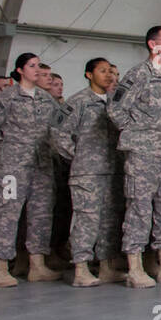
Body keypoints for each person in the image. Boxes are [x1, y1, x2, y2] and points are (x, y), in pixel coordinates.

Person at [108, 26, 161, 288]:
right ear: (153, 45)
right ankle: (135, 266)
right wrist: (136, 133)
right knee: (139, 208)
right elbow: (115, 109)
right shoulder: (138, 75)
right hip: (145, 153)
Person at [0, 52, 64, 287]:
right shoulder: (6, 98)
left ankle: (37, 266)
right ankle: (0, 268)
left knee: (40, 215)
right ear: (20, 70)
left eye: (39, 66)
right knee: (6, 215)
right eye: (32, 66)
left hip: (41, 166)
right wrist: (11, 146)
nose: (37, 70)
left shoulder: (46, 100)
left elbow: (57, 130)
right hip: (12, 168)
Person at [50, 58, 124, 287]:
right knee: (87, 219)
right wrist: (78, 156)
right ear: (89, 74)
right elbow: (57, 132)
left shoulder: (116, 103)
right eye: (102, 71)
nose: (109, 75)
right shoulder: (78, 102)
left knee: (109, 221)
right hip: (87, 173)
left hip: (113, 171)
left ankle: (105, 267)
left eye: (111, 71)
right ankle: (81, 267)